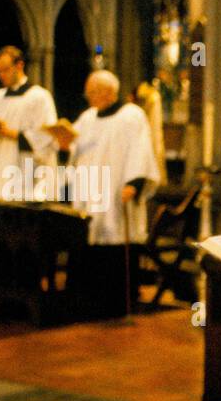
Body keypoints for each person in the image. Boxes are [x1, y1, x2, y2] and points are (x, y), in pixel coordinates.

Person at [51, 70, 160, 318]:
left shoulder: (132, 116)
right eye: (88, 93)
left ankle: (116, 304)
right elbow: (75, 146)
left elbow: (141, 150)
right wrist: (65, 144)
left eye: (93, 93)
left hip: (116, 191)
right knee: (89, 239)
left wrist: (135, 182)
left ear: (109, 92)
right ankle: (85, 302)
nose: (89, 98)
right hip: (89, 192)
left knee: (114, 241)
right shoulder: (87, 117)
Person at [0, 46, 58, 204]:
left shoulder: (39, 96)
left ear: (20, 65)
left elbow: (46, 136)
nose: (1, 75)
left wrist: (8, 132)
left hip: (22, 167)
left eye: (5, 70)